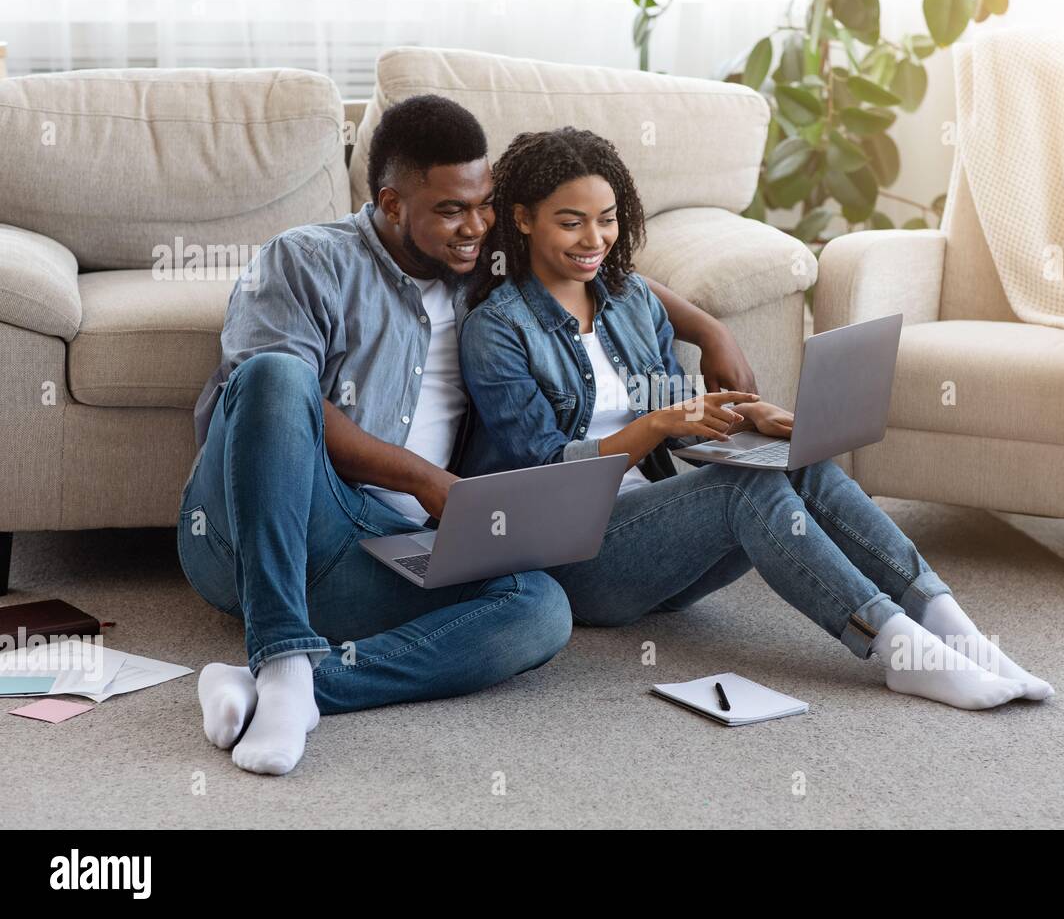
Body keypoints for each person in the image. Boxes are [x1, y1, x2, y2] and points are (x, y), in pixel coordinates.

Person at [179, 96, 761, 776]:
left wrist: (709, 329)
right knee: (275, 374)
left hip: (378, 550)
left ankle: (303, 688)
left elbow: (600, 271)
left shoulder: (483, 270)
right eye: (451, 210)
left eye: (484, 204)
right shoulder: (306, 260)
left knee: (539, 608)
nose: (475, 226)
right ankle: (277, 653)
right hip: (260, 533)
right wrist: (429, 483)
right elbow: (270, 411)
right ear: (393, 206)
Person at [459, 127, 1055, 710]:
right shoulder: (499, 328)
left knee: (798, 465)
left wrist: (747, 419)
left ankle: (951, 626)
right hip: (578, 562)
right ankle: (895, 651)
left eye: (608, 218)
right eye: (571, 221)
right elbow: (545, 472)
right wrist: (661, 424)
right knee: (742, 489)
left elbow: (678, 408)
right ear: (523, 218)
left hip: (663, 544)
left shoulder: (633, 301)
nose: (595, 239)